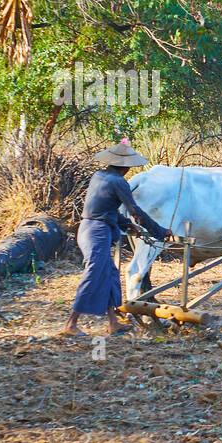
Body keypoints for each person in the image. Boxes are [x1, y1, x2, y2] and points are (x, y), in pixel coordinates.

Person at [61, 140, 170, 338]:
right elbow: (135, 211)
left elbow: (105, 209)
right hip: (97, 232)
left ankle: (113, 323)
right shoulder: (119, 182)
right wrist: (160, 232)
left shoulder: (99, 176)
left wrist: (127, 224)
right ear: (126, 166)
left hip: (89, 229)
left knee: (110, 275)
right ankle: (71, 323)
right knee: (93, 273)